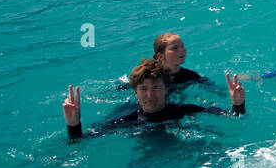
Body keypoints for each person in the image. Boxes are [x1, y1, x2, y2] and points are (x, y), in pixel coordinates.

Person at [64, 59, 245, 140]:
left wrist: (238, 104)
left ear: (166, 89)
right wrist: (74, 125)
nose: (150, 96)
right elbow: (80, 142)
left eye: (156, 88)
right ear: (135, 92)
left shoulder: (182, 110)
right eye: (143, 89)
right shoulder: (126, 120)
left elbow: (233, 116)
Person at [116, 32, 209, 89]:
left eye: (182, 46)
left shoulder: (191, 76)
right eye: (175, 48)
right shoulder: (150, 75)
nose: (182, 50)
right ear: (160, 56)